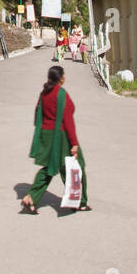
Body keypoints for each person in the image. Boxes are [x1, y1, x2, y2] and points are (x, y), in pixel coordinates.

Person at [21, 65, 91, 214]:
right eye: (64, 74)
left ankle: (31, 197)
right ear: (61, 77)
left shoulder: (44, 93)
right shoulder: (61, 94)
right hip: (61, 136)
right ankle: (80, 202)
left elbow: (38, 113)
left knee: (49, 167)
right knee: (76, 166)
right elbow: (68, 121)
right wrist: (74, 144)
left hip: (47, 134)